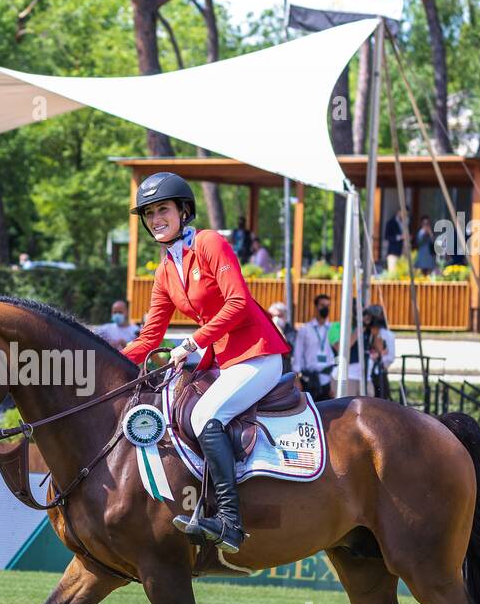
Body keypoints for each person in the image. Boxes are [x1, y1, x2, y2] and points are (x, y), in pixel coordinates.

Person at [122, 172, 291, 552]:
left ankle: (230, 521)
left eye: (162, 209)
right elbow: (149, 338)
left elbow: (238, 302)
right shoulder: (165, 270)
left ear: (183, 210)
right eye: (148, 214)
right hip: (224, 362)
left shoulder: (210, 243)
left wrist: (193, 342)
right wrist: (104, 360)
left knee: (204, 417)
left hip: (258, 353)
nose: (155, 219)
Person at [291, 292, 336, 401]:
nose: (325, 308)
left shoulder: (333, 329)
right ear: (316, 307)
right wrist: (296, 379)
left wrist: (335, 383)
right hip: (309, 380)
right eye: (322, 305)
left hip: (328, 379)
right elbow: (298, 354)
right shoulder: (305, 329)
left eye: (327, 306)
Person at [342, 305, 384, 397]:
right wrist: (361, 326)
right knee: (350, 406)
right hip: (350, 375)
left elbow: (380, 350)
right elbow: (347, 345)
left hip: (367, 377)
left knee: (369, 406)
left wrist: (376, 332)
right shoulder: (349, 326)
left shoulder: (371, 331)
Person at [365, 304, 395, 400]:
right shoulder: (364, 333)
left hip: (379, 375)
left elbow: (390, 357)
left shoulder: (387, 335)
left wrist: (378, 358)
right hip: (364, 375)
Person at [267, 302, 295, 374]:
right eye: (273, 316)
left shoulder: (291, 332)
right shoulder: (266, 329)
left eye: (280, 316)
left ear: (285, 317)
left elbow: (290, 352)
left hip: (285, 370)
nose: (276, 319)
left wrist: (280, 332)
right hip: (270, 370)